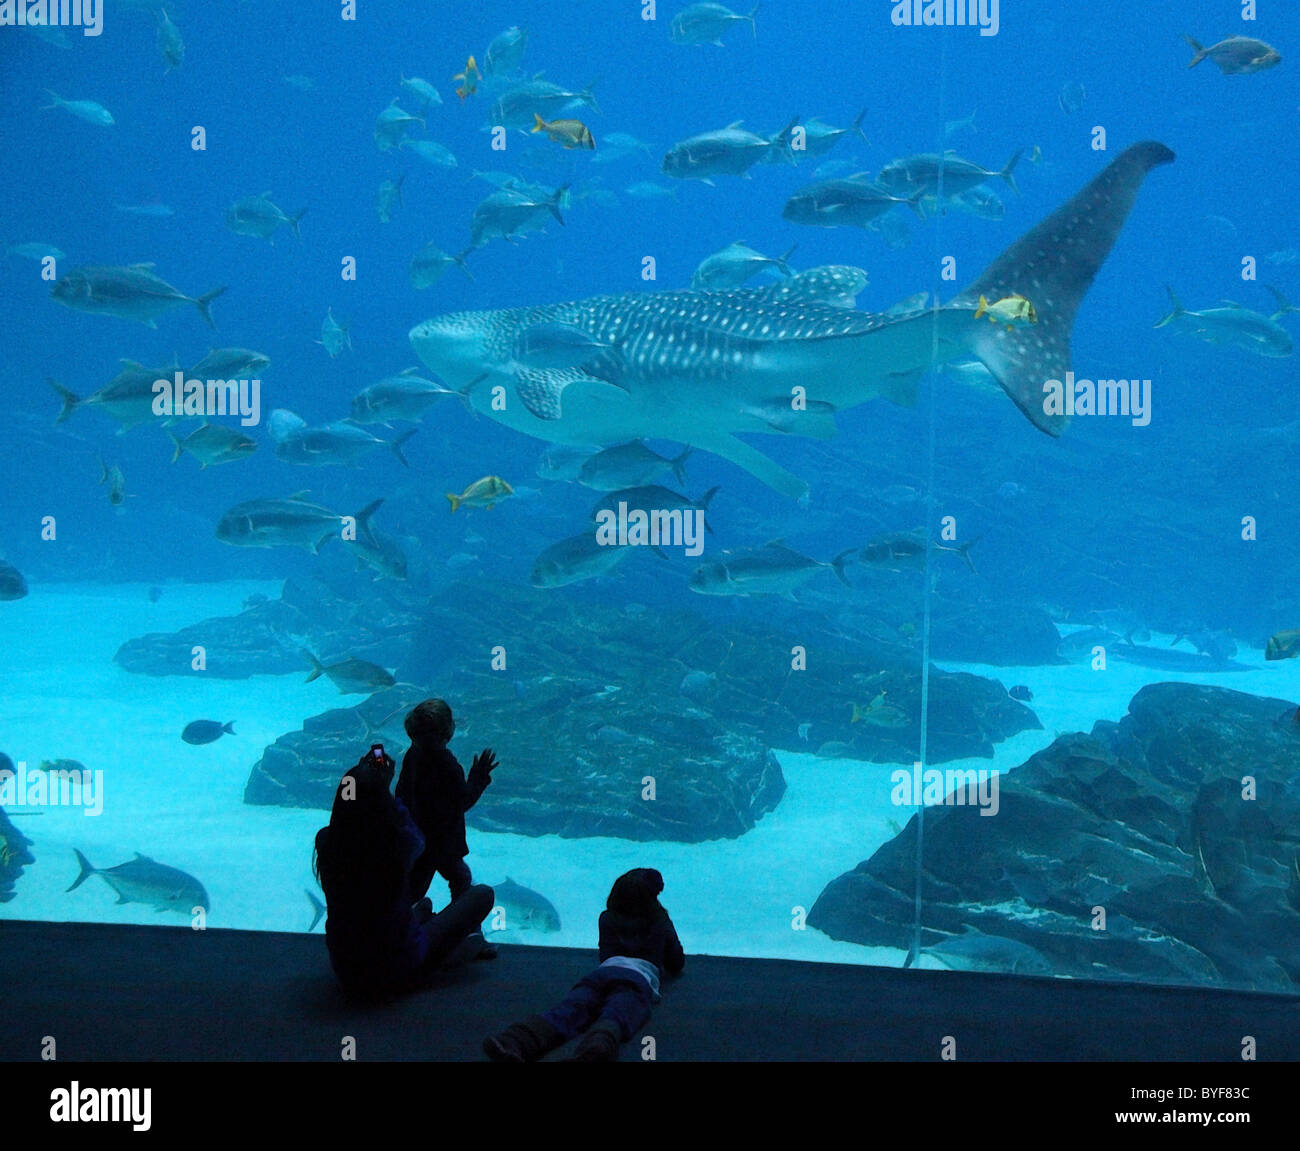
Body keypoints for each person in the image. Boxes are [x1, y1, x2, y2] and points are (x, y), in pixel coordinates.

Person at [313, 748, 494, 998]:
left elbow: (353, 806)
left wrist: (360, 779)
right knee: (483, 895)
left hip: (347, 971)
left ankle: (433, 937)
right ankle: (451, 953)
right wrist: (384, 787)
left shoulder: (326, 842)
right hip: (398, 968)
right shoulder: (394, 848)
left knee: (424, 906)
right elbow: (417, 839)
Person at [483, 868, 685, 1062]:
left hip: (601, 975)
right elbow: (676, 962)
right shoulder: (659, 920)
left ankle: (513, 1041)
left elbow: (605, 955)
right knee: (617, 1014)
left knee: (570, 1008)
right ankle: (593, 1051)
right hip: (636, 980)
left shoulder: (606, 918)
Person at [394, 698, 497, 905]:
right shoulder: (447, 765)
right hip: (442, 841)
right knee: (460, 879)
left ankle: (402, 922)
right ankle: (459, 926)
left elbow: (401, 791)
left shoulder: (413, 754)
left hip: (414, 834)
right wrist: (478, 780)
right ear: (447, 732)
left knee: (413, 886)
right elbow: (462, 802)